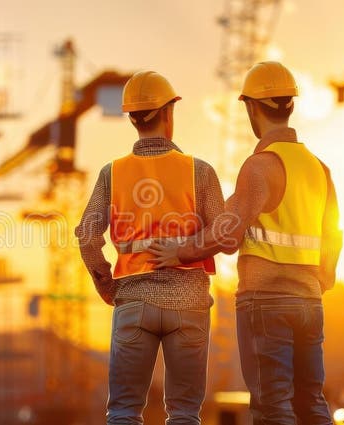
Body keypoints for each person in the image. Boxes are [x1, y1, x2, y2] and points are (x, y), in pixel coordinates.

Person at [147, 61, 343, 425]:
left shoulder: (260, 167)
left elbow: (226, 233)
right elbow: (333, 234)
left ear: (252, 108)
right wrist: (319, 283)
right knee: (312, 402)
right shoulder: (319, 168)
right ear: (290, 106)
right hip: (310, 302)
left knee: (273, 406)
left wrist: (179, 250)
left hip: (265, 302)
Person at [75, 70, 224, 424]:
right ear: (168, 113)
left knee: (124, 411)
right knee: (185, 413)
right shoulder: (199, 171)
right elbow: (223, 231)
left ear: (132, 118)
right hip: (189, 302)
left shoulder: (113, 174)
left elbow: (87, 236)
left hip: (133, 302)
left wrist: (106, 285)